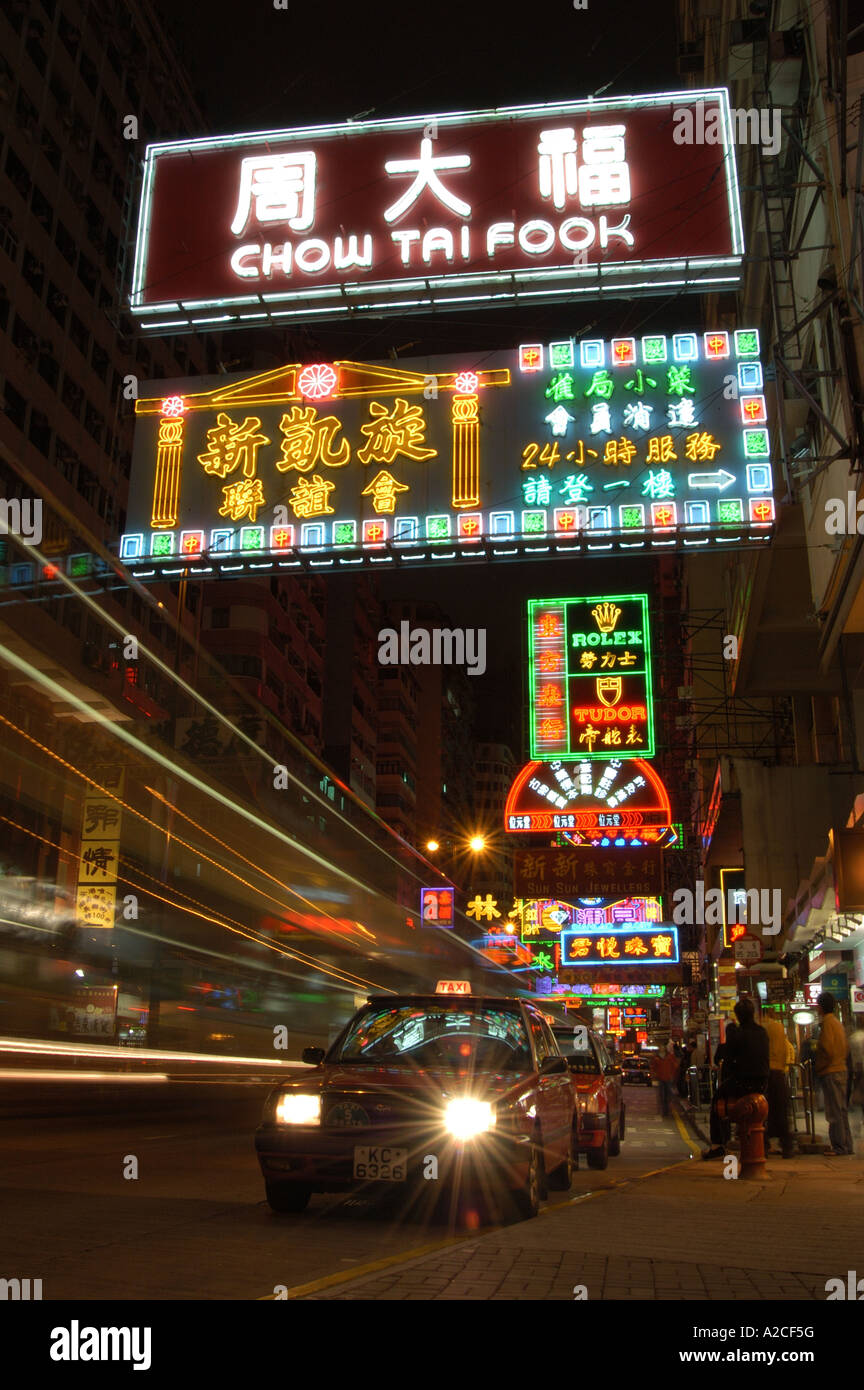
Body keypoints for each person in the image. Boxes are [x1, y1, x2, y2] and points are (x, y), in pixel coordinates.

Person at [702, 999, 769, 1159]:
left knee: (717, 1102)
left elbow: (729, 1060)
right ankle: (764, 1144)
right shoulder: (762, 1032)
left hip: (742, 1082)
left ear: (738, 1016)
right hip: (762, 1083)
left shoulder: (738, 1034)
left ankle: (718, 1144)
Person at [814, 992, 853, 1156]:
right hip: (841, 1070)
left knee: (834, 1112)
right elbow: (845, 1048)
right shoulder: (837, 1023)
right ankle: (847, 1145)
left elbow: (828, 1049)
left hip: (831, 1072)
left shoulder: (828, 1024)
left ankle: (840, 1147)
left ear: (820, 1007)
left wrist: (820, 1066)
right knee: (841, 1110)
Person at [760, 1007, 795, 1158]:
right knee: (781, 1111)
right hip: (780, 1072)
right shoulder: (780, 1028)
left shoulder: (763, 1028)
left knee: (763, 1112)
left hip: (766, 1072)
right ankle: (786, 1146)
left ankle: (764, 1146)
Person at [652, 1041, 678, 1117]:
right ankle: (664, 1110)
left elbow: (675, 1066)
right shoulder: (656, 1057)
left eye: (662, 1047)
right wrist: (655, 1074)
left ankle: (667, 1109)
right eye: (660, 1047)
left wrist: (672, 1075)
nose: (661, 1048)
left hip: (668, 1078)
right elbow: (653, 1067)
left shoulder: (670, 1056)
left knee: (668, 1095)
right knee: (662, 1095)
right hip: (660, 1078)